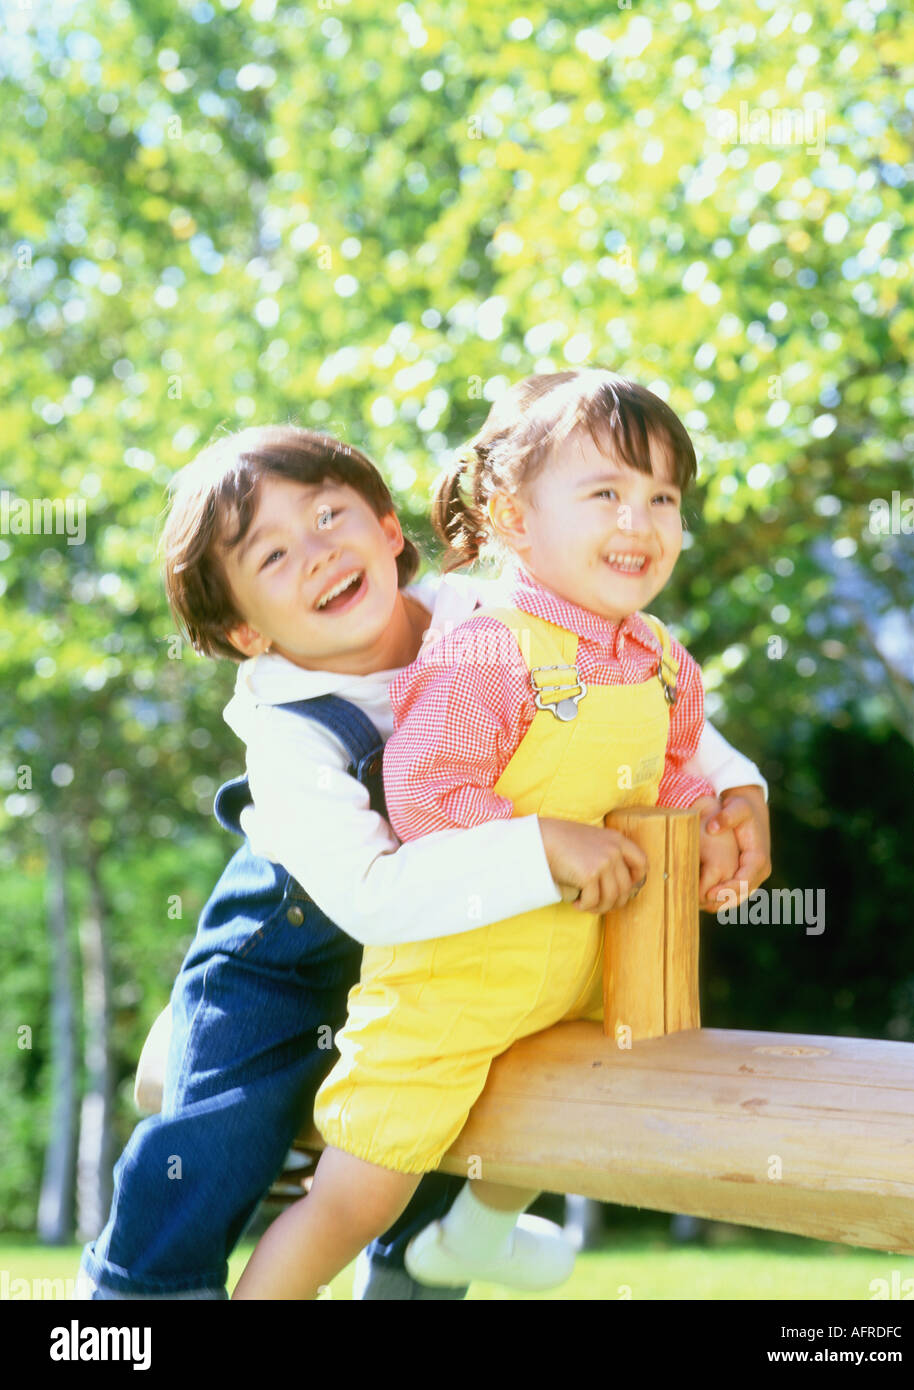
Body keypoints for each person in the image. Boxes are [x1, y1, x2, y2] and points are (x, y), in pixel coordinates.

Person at [77, 423, 687, 1301]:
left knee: (441, 1108)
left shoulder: (494, 623)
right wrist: (540, 845)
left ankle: (416, 1270)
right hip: (283, 958)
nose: (319, 553)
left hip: (431, 956)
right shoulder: (289, 733)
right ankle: (136, 1297)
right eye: (275, 554)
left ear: (391, 529)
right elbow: (371, 896)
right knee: (213, 1139)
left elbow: (632, 698)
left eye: (331, 515)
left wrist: (734, 785)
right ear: (248, 629)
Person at [232, 370, 770, 1300]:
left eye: (662, 498)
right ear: (515, 520)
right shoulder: (489, 645)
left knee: (557, 1117)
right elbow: (428, 794)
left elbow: (668, 771)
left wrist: (714, 825)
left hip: (574, 977)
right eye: (604, 494)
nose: (638, 522)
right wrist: (547, 842)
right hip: (454, 987)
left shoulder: (658, 658)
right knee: (354, 1199)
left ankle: (477, 1236)